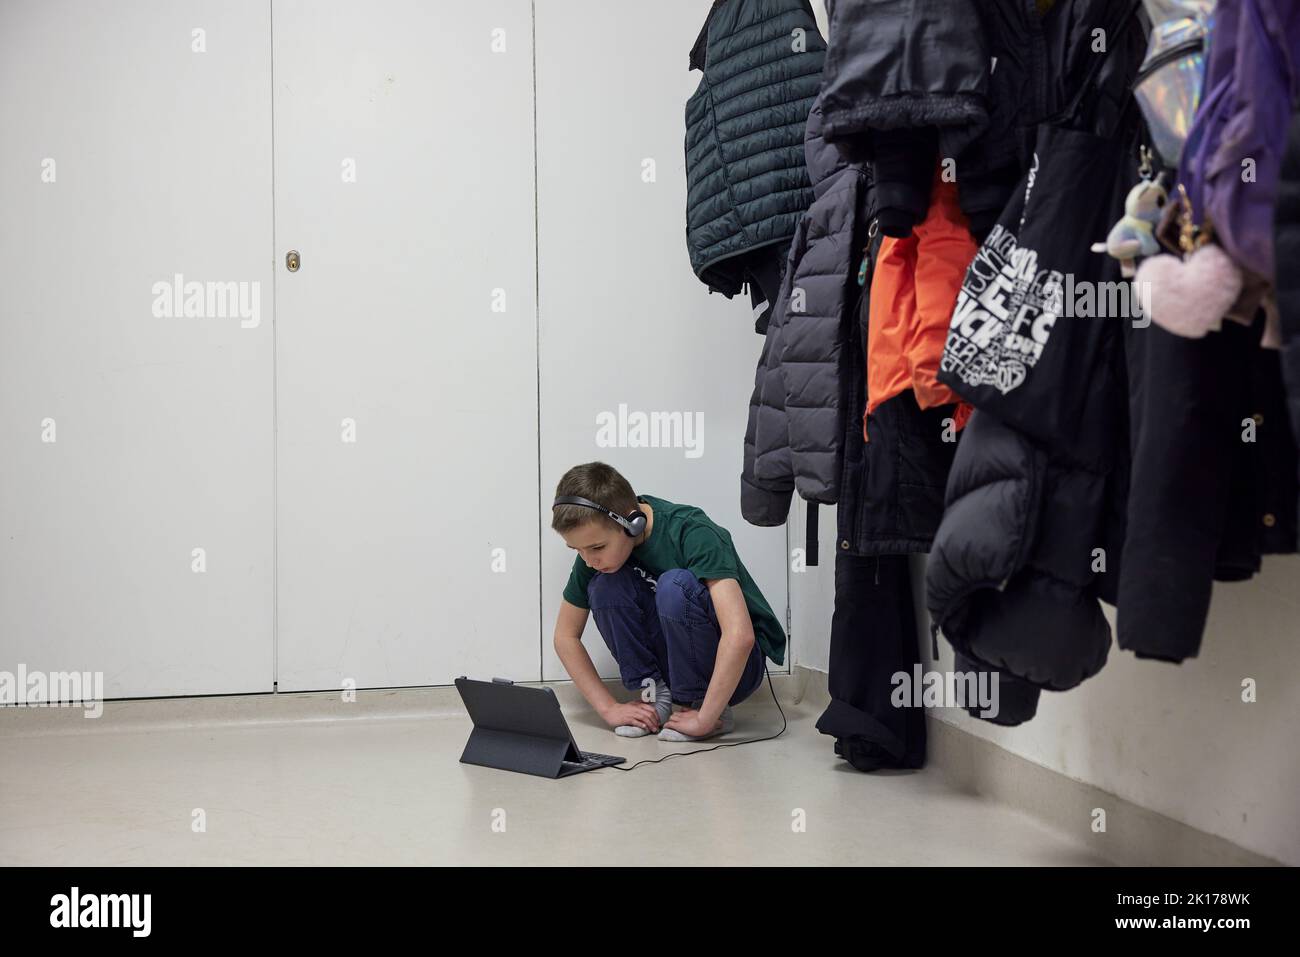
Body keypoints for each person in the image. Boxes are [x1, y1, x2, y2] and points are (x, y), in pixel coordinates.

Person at [551, 462, 786, 741]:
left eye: (597, 548)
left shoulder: (692, 531)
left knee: (674, 586)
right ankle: (654, 700)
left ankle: (704, 706)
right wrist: (609, 708)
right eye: (577, 549)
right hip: (673, 664)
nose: (589, 559)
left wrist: (704, 719)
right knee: (604, 586)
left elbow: (740, 636)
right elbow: (565, 636)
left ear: (632, 522)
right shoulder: (593, 559)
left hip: (738, 670)